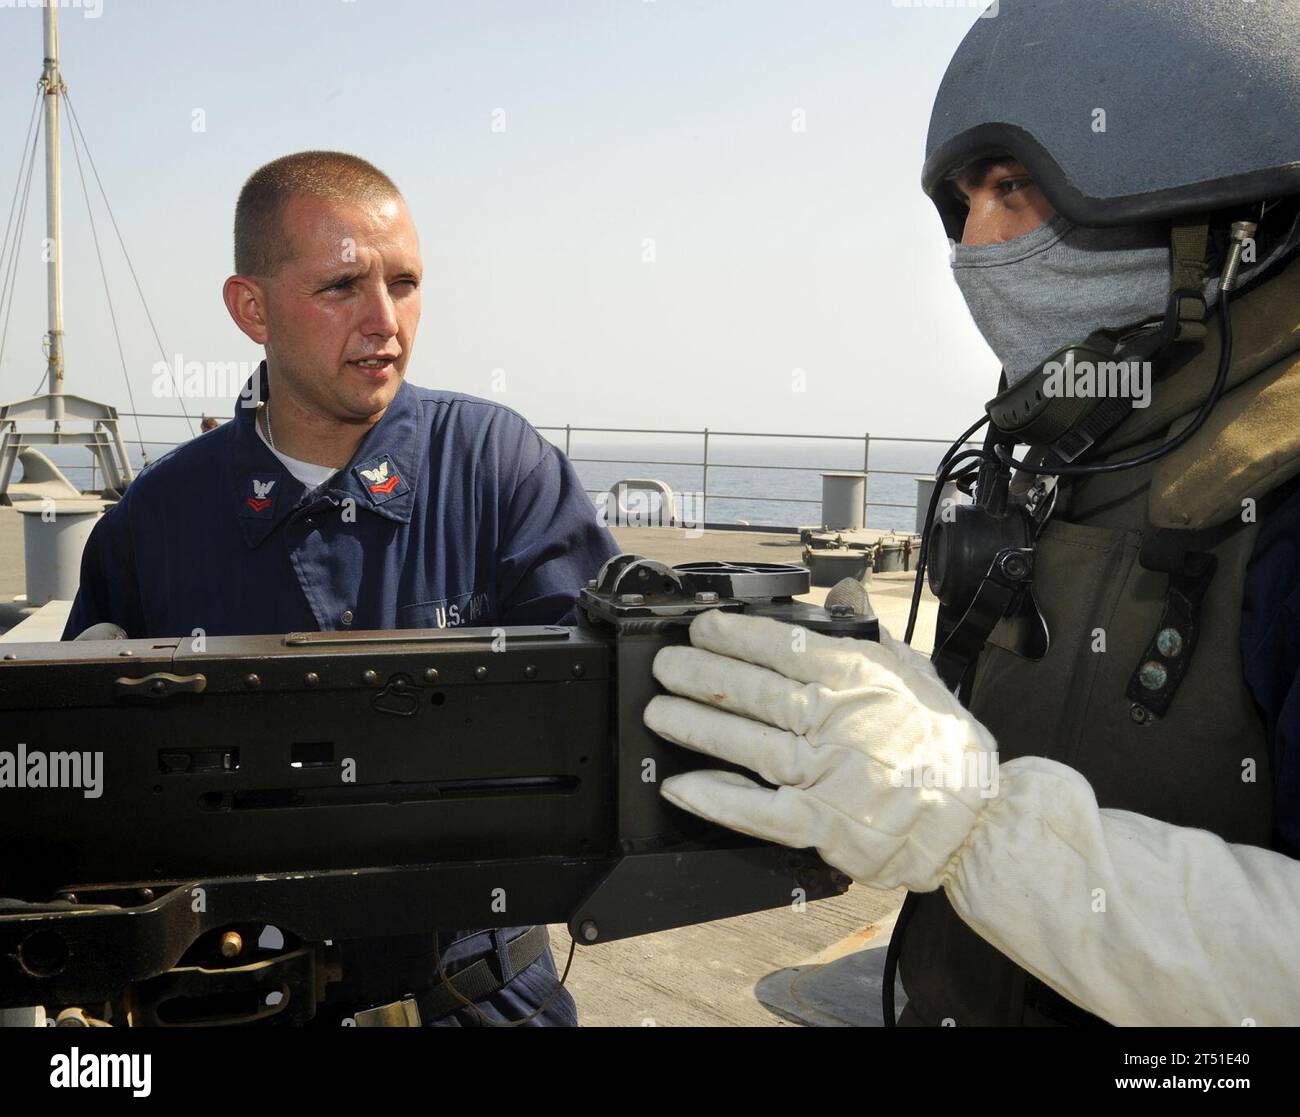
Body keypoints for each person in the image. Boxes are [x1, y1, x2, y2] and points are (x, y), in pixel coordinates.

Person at [643, 0, 1300, 1025]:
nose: (975, 245)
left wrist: (974, 826)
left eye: (1015, 190)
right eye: (963, 202)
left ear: (1213, 199)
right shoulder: (1076, 441)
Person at [63, 151, 620, 1026]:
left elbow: (612, 721)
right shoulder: (154, 525)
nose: (385, 321)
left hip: (481, 1001)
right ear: (252, 308)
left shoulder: (501, 472)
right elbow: (80, 806)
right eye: (342, 287)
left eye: (405, 283)